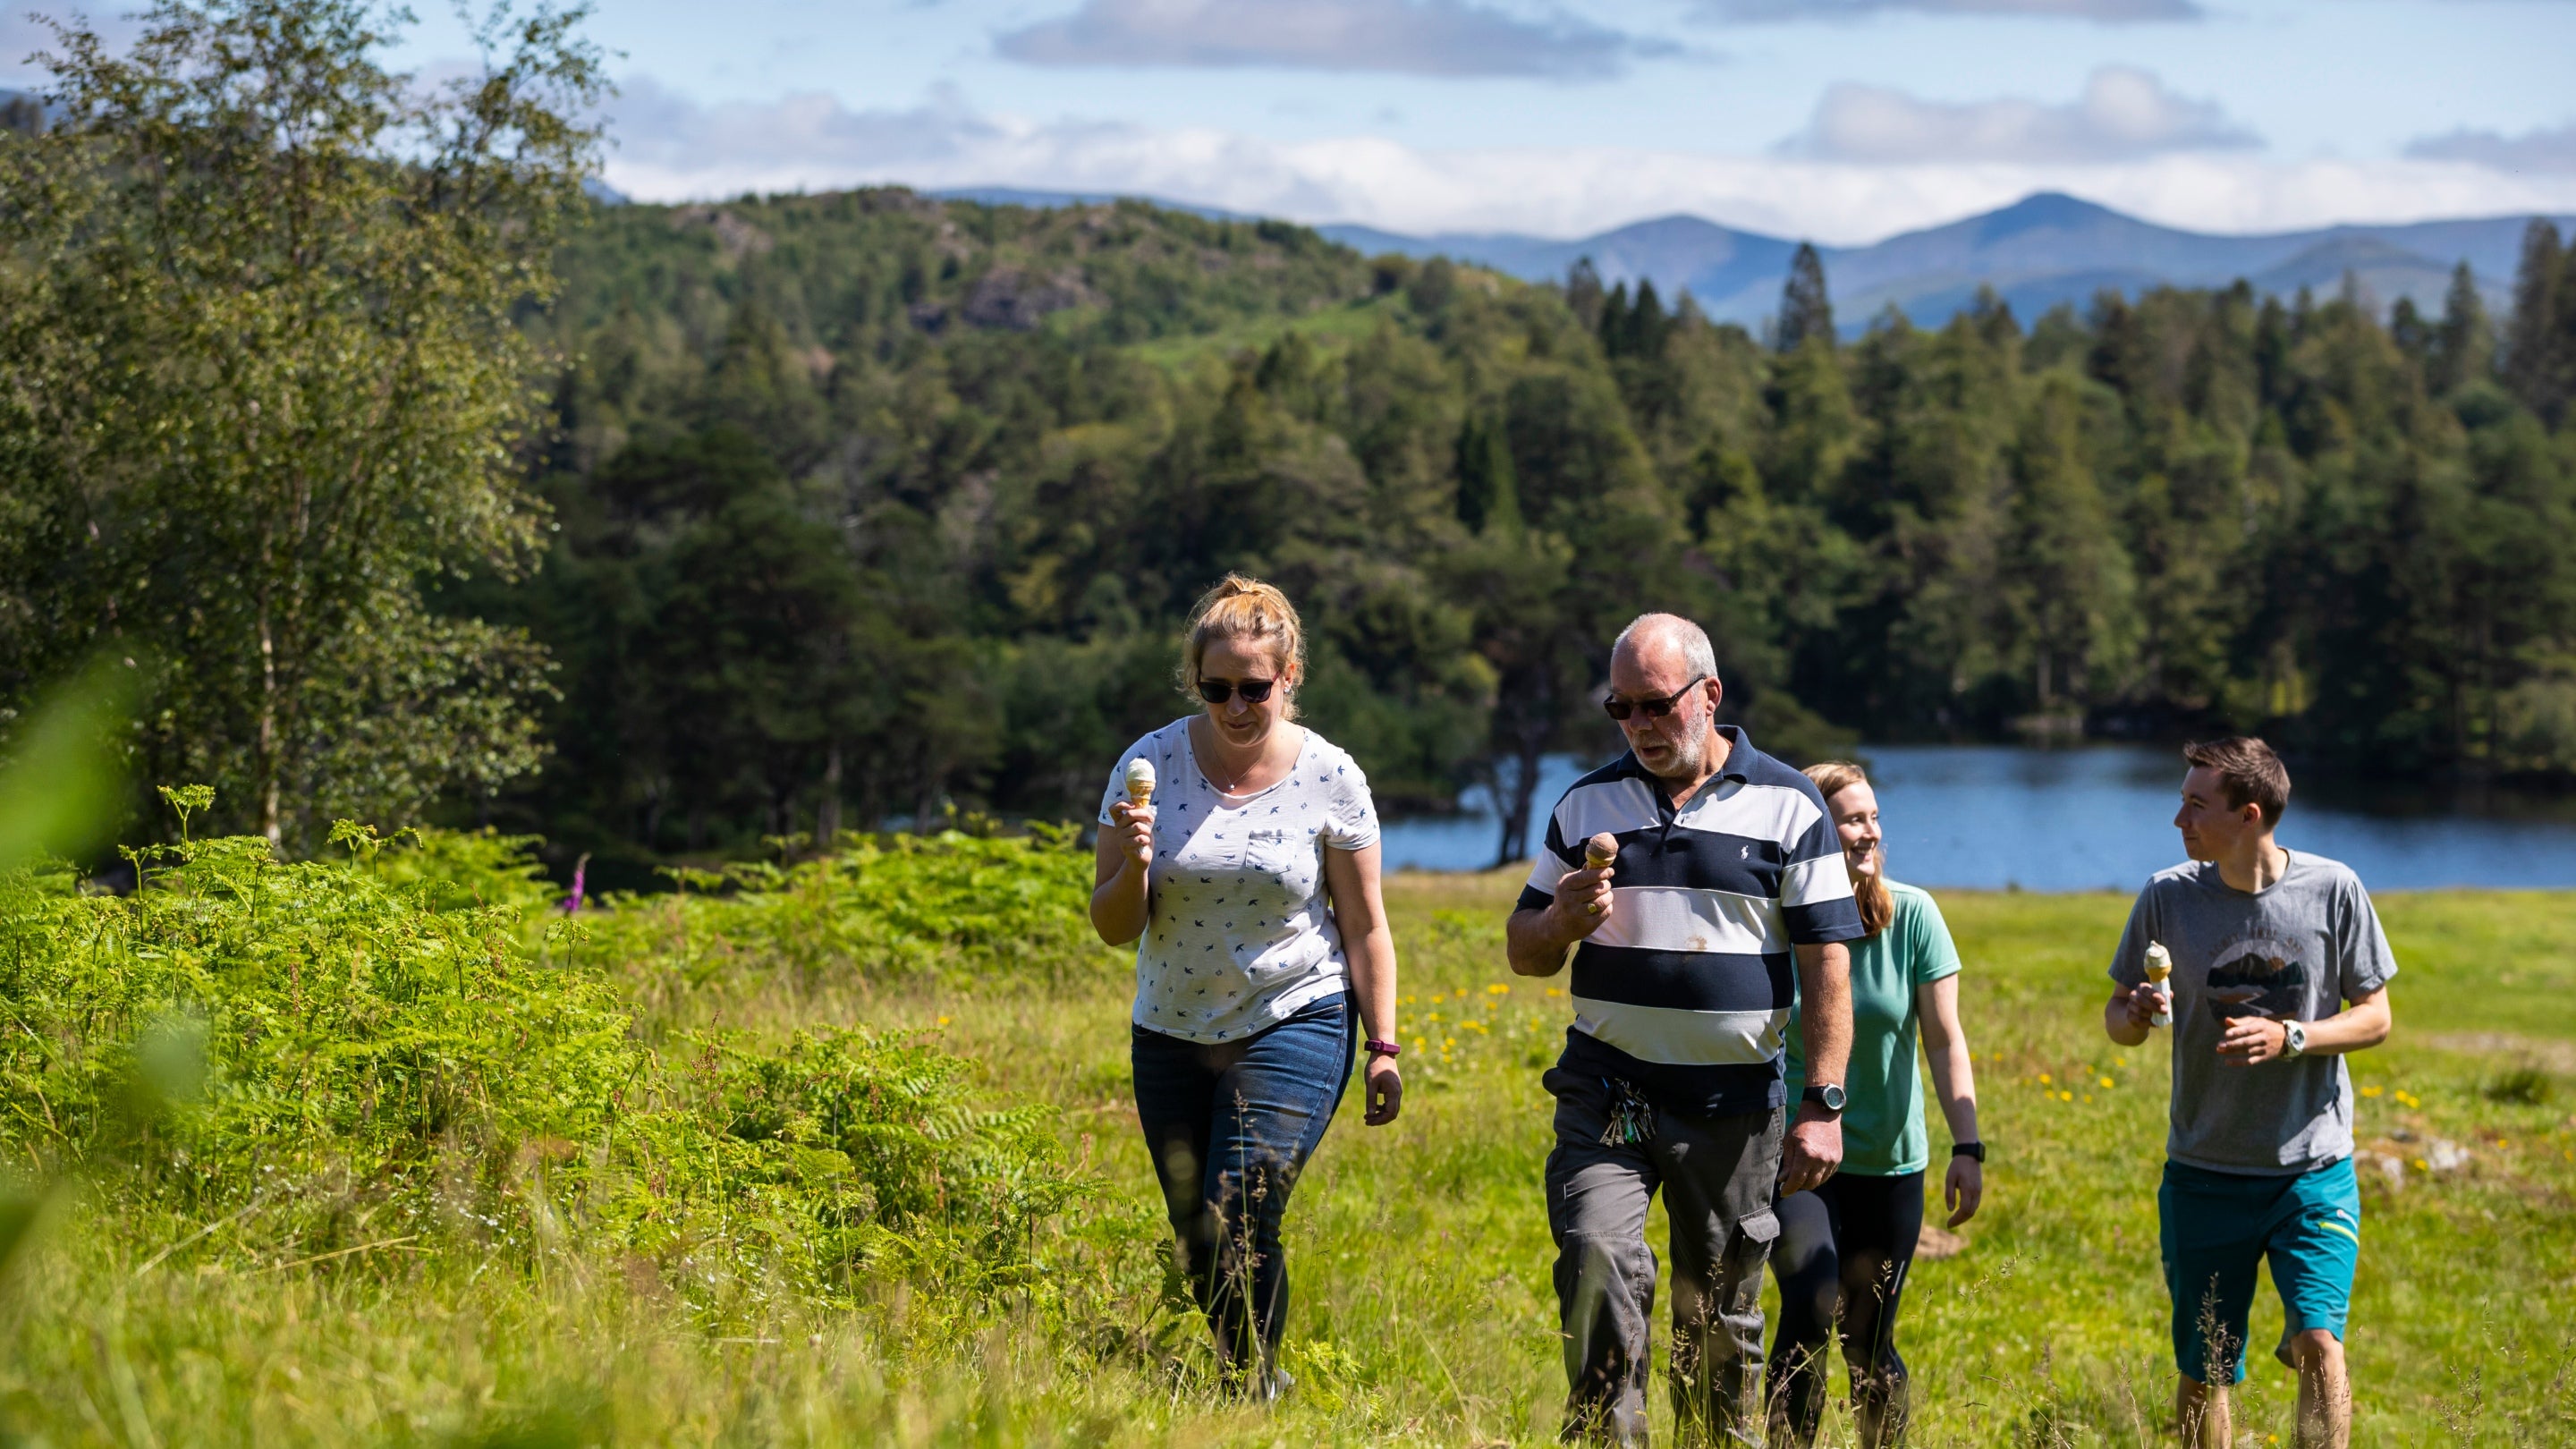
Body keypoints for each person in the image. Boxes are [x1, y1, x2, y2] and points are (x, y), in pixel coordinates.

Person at [1506, 613, 1862, 1446]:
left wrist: (1825, 1101)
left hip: (1732, 1103)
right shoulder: (1585, 802)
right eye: (1620, 708)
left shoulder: (1790, 804)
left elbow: (1827, 967)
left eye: (1656, 705)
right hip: (1610, 1091)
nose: (1638, 726)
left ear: (1709, 696)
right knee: (1596, 1262)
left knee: (1718, 1313)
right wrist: (1560, 917)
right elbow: (1524, 952)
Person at [1089, 574, 1403, 1398]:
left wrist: (1383, 1047)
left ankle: (1248, 1391)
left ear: (1288, 678)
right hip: (1170, 1025)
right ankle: (1253, 1374)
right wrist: (1138, 861)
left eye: (1253, 688)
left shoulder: (1331, 776)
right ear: (1197, 682)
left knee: (1243, 1204)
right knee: (1196, 1228)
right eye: (1217, 688)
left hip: (1294, 1013)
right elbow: (1115, 924)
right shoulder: (1145, 765)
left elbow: (1366, 925)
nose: (1235, 704)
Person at [2104, 738, 2395, 1449]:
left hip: (2313, 1171)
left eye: (2197, 805)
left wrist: (2293, 1037)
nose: (2179, 819)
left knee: (2321, 1344)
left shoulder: (2334, 889)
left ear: (2250, 815)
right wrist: (2135, 1013)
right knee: (2207, 1365)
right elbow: (2118, 1019)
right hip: (2205, 1170)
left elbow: (2376, 1016)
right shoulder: (2168, 896)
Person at [1767, 761, 1984, 1449]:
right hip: (1800, 1154)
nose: (1869, 833)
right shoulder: (1778, 918)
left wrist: (1968, 1146)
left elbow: (1946, 1041)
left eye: (1873, 817)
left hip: (1890, 1163)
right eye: (1852, 818)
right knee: (1809, 1301)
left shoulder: (1913, 914)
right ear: (1813, 830)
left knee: (1868, 1338)